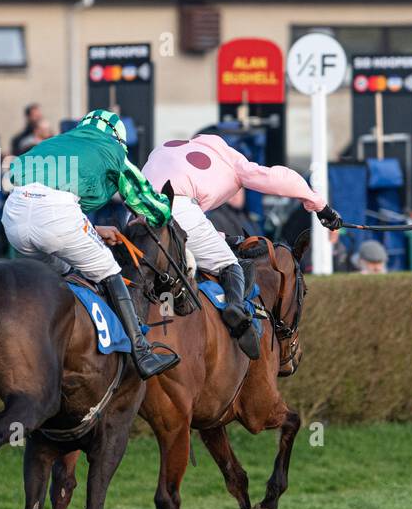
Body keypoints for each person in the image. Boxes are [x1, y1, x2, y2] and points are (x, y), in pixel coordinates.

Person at [3, 109, 181, 379]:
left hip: (14, 215)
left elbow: (20, 180)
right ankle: (142, 352)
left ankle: (43, 341)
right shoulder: (112, 150)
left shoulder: (56, 141)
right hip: (56, 216)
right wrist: (165, 211)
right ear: (117, 138)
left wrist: (93, 230)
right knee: (109, 270)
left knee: (62, 270)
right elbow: (148, 203)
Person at [142, 133, 337, 360]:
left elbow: (193, 226)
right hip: (178, 208)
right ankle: (236, 312)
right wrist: (321, 207)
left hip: (137, 211)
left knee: (155, 272)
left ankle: (142, 326)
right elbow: (278, 178)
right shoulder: (231, 161)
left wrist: (222, 237)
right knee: (230, 264)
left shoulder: (164, 148)